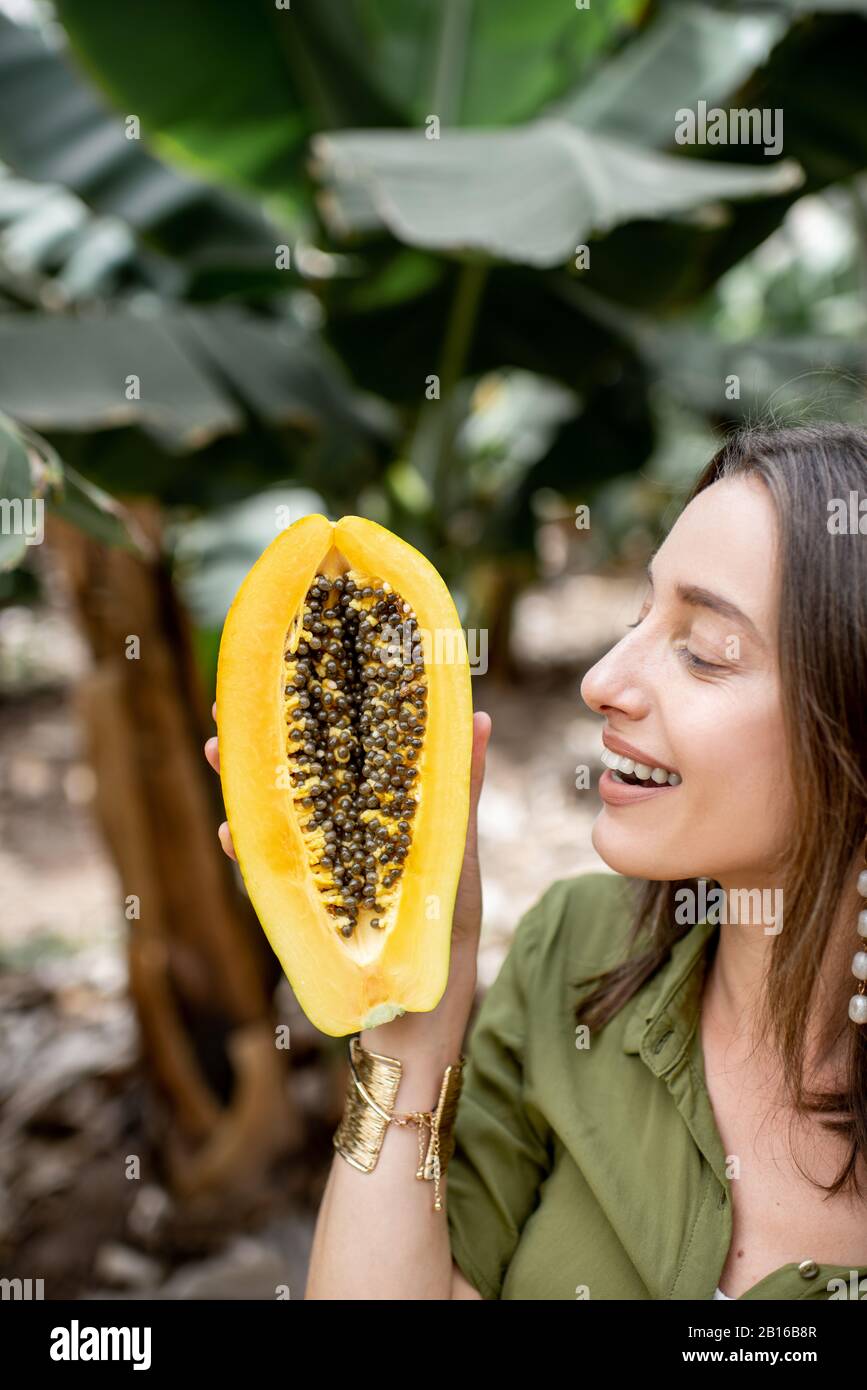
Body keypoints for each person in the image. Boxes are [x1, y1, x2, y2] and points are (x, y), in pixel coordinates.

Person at [205, 425, 867, 1300]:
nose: (602, 679)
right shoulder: (576, 958)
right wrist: (411, 995)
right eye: (637, 617)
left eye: (702, 652)